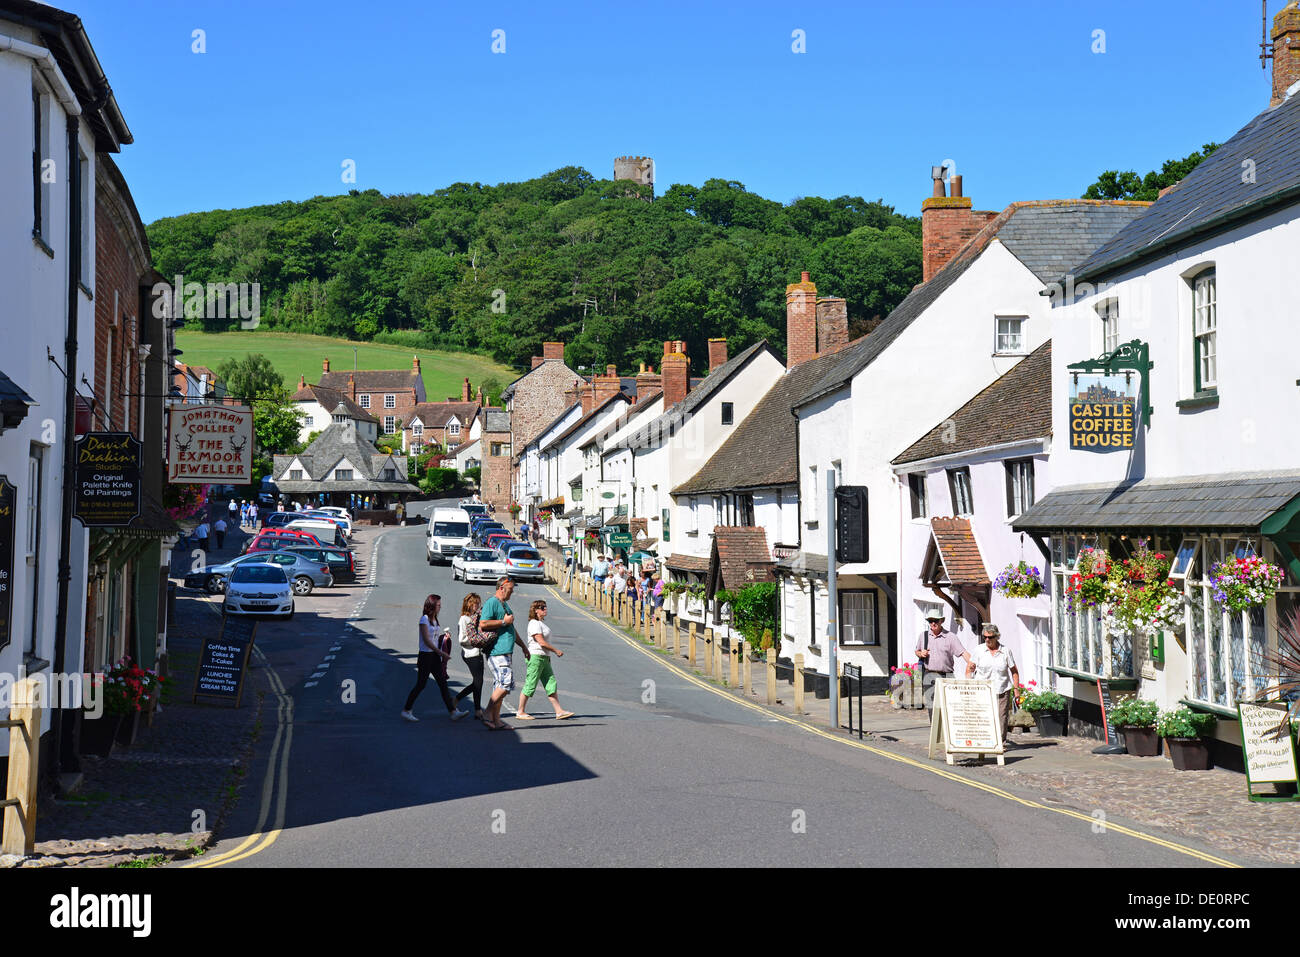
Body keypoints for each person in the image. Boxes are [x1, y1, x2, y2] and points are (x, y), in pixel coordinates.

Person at [401, 594, 468, 722]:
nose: (440, 607)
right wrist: (441, 653)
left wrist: (444, 637)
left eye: (440, 605)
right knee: (421, 684)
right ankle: (406, 710)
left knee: (443, 683)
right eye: (438, 605)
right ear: (432, 605)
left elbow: (435, 639)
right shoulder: (424, 620)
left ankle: (453, 712)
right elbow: (427, 641)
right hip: (425, 656)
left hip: (434, 656)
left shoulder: (435, 620)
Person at [479, 577, 531, 730]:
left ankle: (497, 721)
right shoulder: (492, 602)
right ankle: (487, 712)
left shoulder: (505, 605)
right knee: (505, 684)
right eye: (510, 589)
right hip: (497, 651)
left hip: (506, 651)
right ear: (502, 587)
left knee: (499, 687)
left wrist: (523, 646)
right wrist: (503, 622)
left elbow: (511, 629)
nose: (512, 591)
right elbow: (483, 623)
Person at [516, 600, 574, 720]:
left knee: (550, 682)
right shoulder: (534, 623)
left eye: (545, 607)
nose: (545, 609)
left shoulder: (540, 623)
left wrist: (548, 656)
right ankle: (520, 711)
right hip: (536, 657)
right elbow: (541, 642)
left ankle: (559, 711)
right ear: (535, 610)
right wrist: (556, 650)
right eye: (542, 608)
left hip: (544, 657)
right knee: (531, 684)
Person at [966, 624, 1020, 746]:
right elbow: (968, 670)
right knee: (985, 718)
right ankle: (984, 742)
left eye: (990, 637)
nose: (987, 640)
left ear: (996, 637)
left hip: (1002, 690)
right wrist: (970, 683)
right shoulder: (979, 650)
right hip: (982, 691)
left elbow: (1014, 672)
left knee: (1001, 718)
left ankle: (1000, 744)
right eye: (985, 637)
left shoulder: (1005, 651)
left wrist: (1016, 689)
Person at [915, 610, 968, 710]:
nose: (933, 623)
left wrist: (972, 663)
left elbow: (963, 653)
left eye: (935, 620)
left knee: (948, 706)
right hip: (929, 675)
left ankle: (946, 726)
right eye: (930, 621)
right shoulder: (923, 636)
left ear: (941, 621)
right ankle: (934, 726)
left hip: (946, 675)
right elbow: (917, 651)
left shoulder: (950, 637)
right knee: (932, 707)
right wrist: (921, 653)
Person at [454, 593, 487, 720]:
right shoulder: (464, 619)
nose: (478, 606)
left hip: (477, 652)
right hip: (470, 653)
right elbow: (462, 639)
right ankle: (457, 699)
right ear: (469, 604)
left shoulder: (475, 618)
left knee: (479, 682)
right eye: (475, 603)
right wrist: (477, 640)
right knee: (478, 682)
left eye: (479, 603)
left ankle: (478, 710)